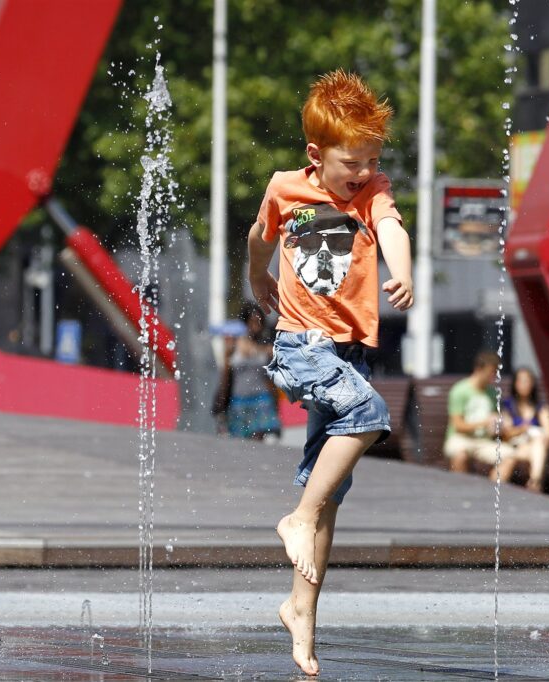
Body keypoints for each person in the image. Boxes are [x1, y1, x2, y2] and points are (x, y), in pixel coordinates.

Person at [248, 69, 413, 676]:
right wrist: (256, 278)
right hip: (303, 345)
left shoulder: (372, 192)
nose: (363, 172)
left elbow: (393, 226)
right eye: (351, 162)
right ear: (316, 156)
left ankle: (301, 613)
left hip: (348, 352)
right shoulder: (287, 188)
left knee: (330, 495)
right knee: (369, 414)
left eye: (372, 159)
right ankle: (297, 517)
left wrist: (405, 271)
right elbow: (258, 236)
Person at [443, 350, 516, 483]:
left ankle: (491, 493)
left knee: (509, 456)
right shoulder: (460, 390)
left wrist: (503, 423)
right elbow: (458, 425)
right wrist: (484, 422)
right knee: (460, 455)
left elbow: (496, 419)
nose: (493, 377)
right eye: (490, 372)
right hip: (461, 438)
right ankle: (458, 490)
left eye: (495, 373)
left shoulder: (492, 393)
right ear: (478, 369)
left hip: (484, 441)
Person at [212, 301, 282, 440]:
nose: (255, 327)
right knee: (240, 441)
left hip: (261, 399)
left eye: (258, 322)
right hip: (239, 400)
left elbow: (271, 375)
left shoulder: (267, 344)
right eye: (251, 322)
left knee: (258, 439)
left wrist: (276, 400)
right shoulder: (233, 344)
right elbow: (226, 374)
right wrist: (222, 398)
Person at [501, 366, 549, 492]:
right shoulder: (507, 406)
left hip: (534, 447)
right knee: (535, 450)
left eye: (527, 381)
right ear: (515, 384)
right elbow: (506, 434)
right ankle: (535, 484)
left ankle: (534, 482)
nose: (524, 385)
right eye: (521, 381)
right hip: (515, 447)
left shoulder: (540, 407)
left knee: (538, 444)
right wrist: (523, 429)